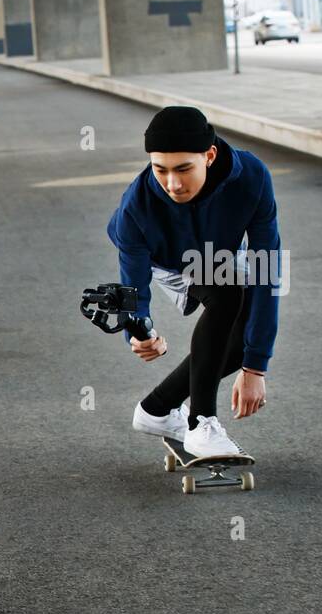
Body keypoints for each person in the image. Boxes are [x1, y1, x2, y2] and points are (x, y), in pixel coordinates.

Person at [107, 106, 280, 457]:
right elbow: (134, 289)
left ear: (209, 155)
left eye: (184, 169)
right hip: (169, 260)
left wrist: (255, 367)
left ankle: (157, 409)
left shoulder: (252, 177)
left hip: (222, 253)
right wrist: (141, 332)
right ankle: (201, 423)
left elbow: (267, 270)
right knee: (229, 296)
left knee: (244, 318)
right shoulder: (135, 210)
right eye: (161, 170)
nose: (172, 183)